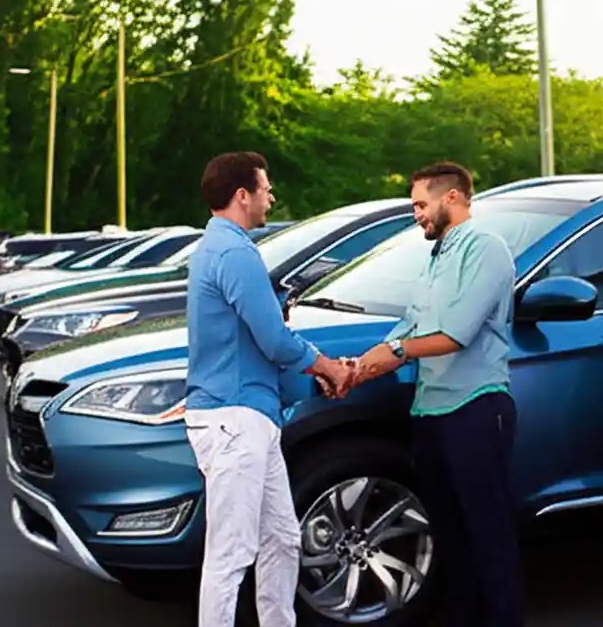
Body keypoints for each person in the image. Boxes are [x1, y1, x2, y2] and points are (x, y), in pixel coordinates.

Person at [346, 161, 522, 627]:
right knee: (450, 538)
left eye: (421, 205)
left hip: (476, 409)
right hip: (430, 413)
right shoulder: (437, 255)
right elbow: (408, 325)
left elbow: (457, 332)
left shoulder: (487, 249)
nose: (417, 215)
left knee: (489, 537)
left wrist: (398, 352)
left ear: (454, 198)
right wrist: (355, 370)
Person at [184, 151, 353, 627]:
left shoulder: (215, 247)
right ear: (243, 195)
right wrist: (328, 367)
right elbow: (274, 339)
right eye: (265, 186)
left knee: (282, 538)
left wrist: (308, 367)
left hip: (250, 416)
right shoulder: (234, 252)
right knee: (231, 553)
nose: (271, 195)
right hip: (234, 419)